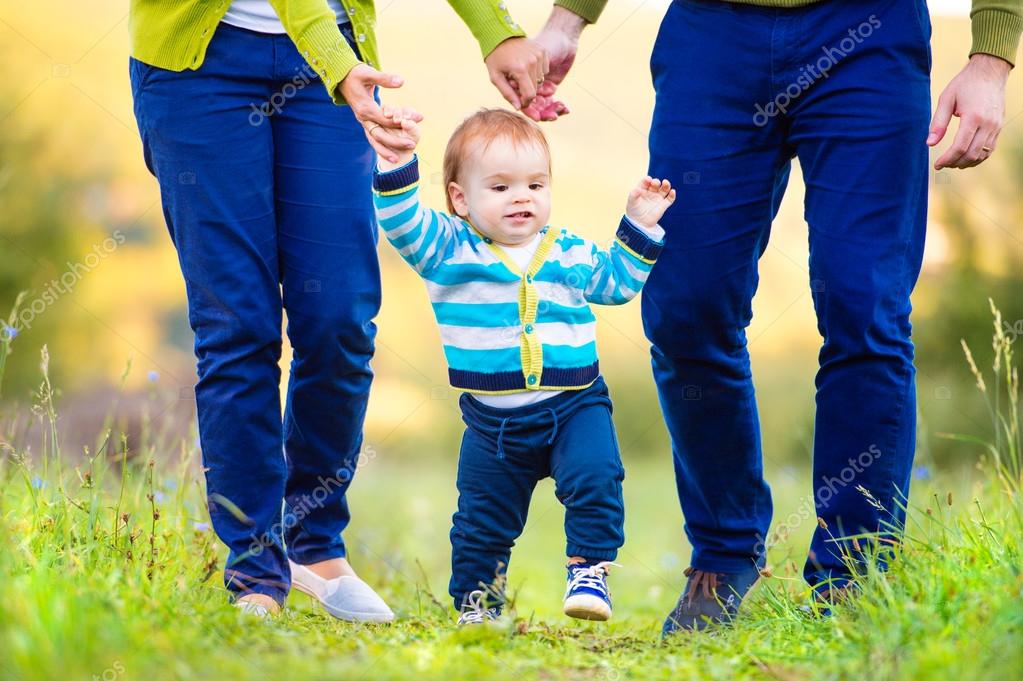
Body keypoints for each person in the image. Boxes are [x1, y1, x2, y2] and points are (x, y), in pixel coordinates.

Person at [516, 0, 1022, 634]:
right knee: (683, 308)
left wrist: (991, 54)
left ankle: (855, 575)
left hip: (870, 35)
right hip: (713, 37)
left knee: (864, 305)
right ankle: (723, 554)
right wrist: (568, 20)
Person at [127, 0, 556, 619]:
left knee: (340, 318)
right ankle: (256, 566)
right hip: (199, 65)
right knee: (236, 324)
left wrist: (494, 31)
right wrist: (335, 59)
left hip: (329, 70)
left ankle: (313, 541)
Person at [371, 107, 675, 623]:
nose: (522, 197)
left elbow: (616, 285)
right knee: (480, 522)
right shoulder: (447, 249)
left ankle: (589, 570)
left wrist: (639, 225)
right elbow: (401, 223)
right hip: (493, 425)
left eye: (536, 184)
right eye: (500, 187)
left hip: (576, 404)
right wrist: (398, 162)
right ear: (460, 198)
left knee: (597, 477)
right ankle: (477, 606)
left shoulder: (568, 251)